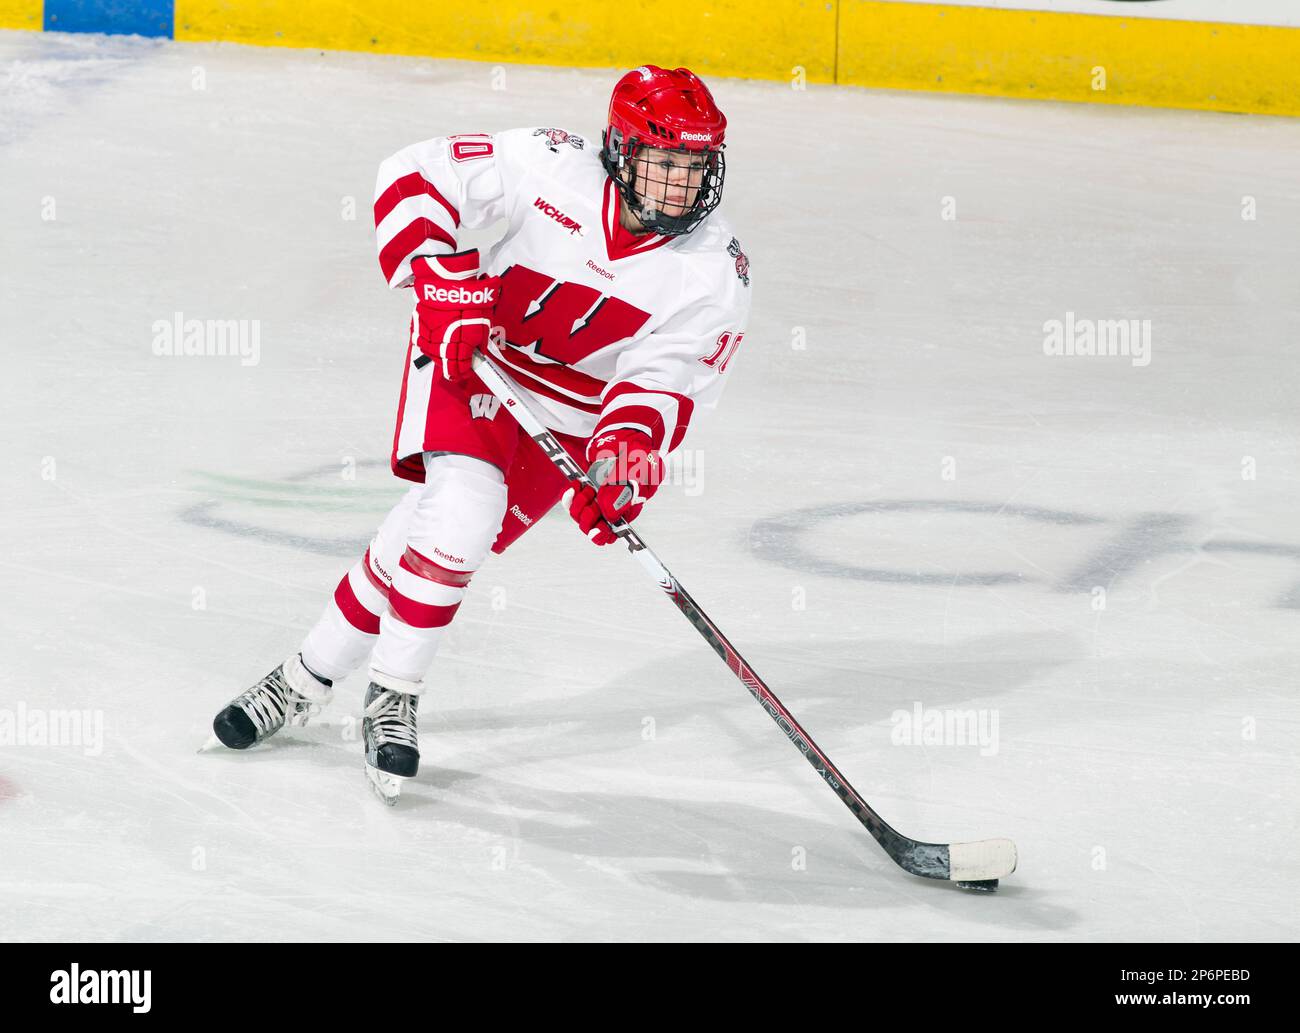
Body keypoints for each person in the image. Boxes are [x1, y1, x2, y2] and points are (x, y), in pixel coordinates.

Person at [210, 65, 753, 802]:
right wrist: (440, 278)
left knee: (424, 536)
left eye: (695, 168)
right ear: (621, 152)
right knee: (463, 510)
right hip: (475, 358)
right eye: (663, 164)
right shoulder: (547, 165)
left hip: (566, 417)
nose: (678, 187)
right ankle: (393, 696)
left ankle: (303, 677)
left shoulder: (712, 273)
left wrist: (622, 460)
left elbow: (665, 379)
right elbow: (413, 176)